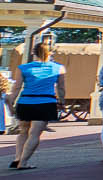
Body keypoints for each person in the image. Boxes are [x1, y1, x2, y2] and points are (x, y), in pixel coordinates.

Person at [8, 40, 63, 170]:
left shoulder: (23, 68)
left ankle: (17, 158)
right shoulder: (58, 68)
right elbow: (61, 88)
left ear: (34, 53)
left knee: (23, 132)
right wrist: (62, 101)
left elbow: (16, 88)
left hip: (25, 102)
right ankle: (23, 162)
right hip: (45, 102)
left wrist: (11, 101)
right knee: (35, 134)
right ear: (50, 53)